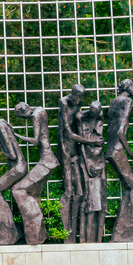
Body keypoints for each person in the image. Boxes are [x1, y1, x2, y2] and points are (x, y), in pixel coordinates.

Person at [56, 84, 102, 242]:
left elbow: (79, 128)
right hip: (65, 151)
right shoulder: (63, 102)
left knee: (80, 193)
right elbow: (68, 132)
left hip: (76, 150)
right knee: (69, 192)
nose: (80, 100)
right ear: (73, 94)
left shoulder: (78, 105)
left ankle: (74, 233)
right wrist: (91, 142)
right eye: (79, 96)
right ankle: (66, 235)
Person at [10, 102, 59, 245]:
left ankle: (33, 234)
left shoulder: (36, 115)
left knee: (18, 189)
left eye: (23, 117)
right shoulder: (41, 110)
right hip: (49, 161)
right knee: (33, 195)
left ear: (25, 111)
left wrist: (15, 134)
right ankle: (39, 236)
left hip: (46, 162)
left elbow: (35, 141)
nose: (25, 120)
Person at [106, 79, 133, 242]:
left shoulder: (114, 101)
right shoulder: (127, 101)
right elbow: (121, 131)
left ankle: (129, 235)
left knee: (130, 188)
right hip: (119, 149)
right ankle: (122, 235)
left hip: (110, 150)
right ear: (127, 88)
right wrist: (131, 152)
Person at [76, 101, 106, 243]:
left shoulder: (100, 118)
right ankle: (88, 242)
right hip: (90, 166)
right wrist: (87, 166)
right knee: (91, 206)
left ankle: (98, 241)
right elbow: (82, 145)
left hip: (99, 167)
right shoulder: (81, 118)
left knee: (101, 208)